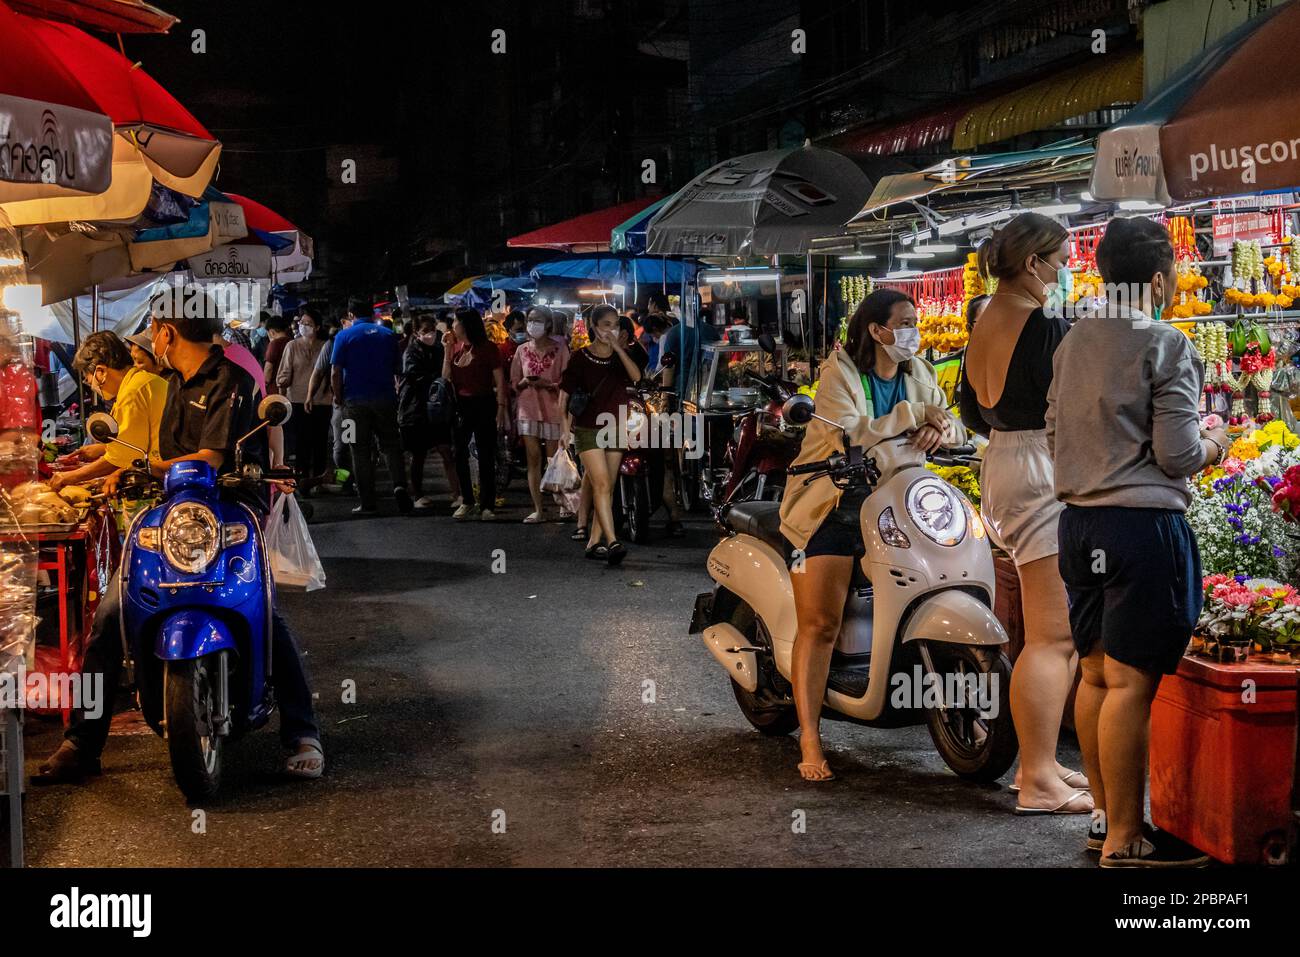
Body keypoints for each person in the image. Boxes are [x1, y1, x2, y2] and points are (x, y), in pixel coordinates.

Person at [35, 290, 323, 784]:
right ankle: (83, 741)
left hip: (228, 511)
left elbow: (207, 459)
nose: (153, 340)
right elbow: (146, 450)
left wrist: (150, 465)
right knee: (110, 615)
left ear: (168, 331)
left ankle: (302, 732)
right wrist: (124, 469)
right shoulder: (166, 382)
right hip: (168, 515)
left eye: (155, 330)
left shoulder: (228, 379)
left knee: (263, 611)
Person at [1047, 217, 1224, 867]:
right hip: (1139, 528)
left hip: (1079, 524)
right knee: (1128, 686)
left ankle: (1105, 820)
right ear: (1158, 277)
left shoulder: (1071, 342)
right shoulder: (1166, 343)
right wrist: (1217, 441)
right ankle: (1125, 839)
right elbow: (1176, 454)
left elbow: (1052, 436)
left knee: (1095, 676)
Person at [779, 289, 963, 781]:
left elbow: (954, 424)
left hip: (899, 503)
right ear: (877, 330)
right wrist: (913, 417)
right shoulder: (837, 374)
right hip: (831, 502)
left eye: (916, 321)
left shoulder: (919, 372)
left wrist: (939, 430)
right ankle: (811, 736)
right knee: (820, 623)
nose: (914, 330)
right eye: (904, 322)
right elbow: (848, 432)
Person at [960, 212, 1094, 816]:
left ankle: (1043, 762)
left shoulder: (984, 318)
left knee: (1046, 634)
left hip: (1001, 465)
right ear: (1034, 262)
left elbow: (970, 412)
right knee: (1053, 637)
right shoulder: (1043, 325)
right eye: (1061, 262)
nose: (1063, 272)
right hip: (1039, 470)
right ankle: (1036, 778)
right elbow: (1074, 409)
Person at [559, 303, 643, 565]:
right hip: (588, 428)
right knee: (602, 483)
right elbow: (564, 395)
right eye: (606, 324)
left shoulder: (621, 356)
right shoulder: (580, 357)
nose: (612, 329)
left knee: (606, 486)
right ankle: (613, 540)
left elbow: (636, 376)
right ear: (594, 327)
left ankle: (594, 542)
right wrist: (563, 429)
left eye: (616, 324)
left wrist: (618, 348)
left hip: (616, 425)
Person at [49, 332, 168, 492]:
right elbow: (136, 441)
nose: (91, 385)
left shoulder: (132, 392)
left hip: (164, 479)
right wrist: (101, 449)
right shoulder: (141, 381)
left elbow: (121, 458)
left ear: (101, 372)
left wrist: (70, 477)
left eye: (88, 378)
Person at [330, 297, 412, 515]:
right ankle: (400, 486)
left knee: (359, 449)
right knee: (391, 446)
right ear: (373, 314)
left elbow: (335, 371)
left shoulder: (343, 336)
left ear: (350, 315)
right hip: (385, 398)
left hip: (354, 401)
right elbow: (398, 369)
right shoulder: (388, 335)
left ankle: (367, 501)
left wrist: (338, 397)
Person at [443, 308, 507, 520]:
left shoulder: (488, 349)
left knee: (486, 454)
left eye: (455, 322)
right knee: (459, 453)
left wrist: (500, 408)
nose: (452, 326)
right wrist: (447, 350)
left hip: (484, 403)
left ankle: (487, 504)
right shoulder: (457, 349)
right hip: (461, 406)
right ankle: (467, 500)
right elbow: (446, 378)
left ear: (465, 325)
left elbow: (499, 381)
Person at [511, 306, 568, 523]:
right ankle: (538, 509)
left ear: (548, 324)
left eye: (538, 320)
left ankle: (561, 501)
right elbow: (514, 382)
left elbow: (566, 382)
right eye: (530, 320)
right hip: (528, 408)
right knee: (533, 458)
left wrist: (549, 384)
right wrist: (524, 382)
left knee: (554, 459)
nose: (533, 324)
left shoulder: (560, 349)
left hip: (553, 409)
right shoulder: (521, 350)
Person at [399, 315, 460, 509]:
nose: (430, 335)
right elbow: (416, 377)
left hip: (438, 409)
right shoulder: (411, 353)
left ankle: (457, 493)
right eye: (425, 332)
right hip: (417, 409)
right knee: (418, 454)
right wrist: (437, 379)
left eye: (432, 331)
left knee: (446, 450)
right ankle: (417, 494)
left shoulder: (438, 349)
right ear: (417, 333)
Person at [277, 306, 331, 494]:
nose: (303, 326)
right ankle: (301, 483)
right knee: (301, 444)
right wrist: (282, 386)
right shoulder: (292, 346)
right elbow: (282, 375)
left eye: (308, 324)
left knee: (320, 443)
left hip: (323, 401)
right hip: (296, 401)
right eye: (301, 323)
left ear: (317, 327)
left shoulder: (326, 346)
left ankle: (317, 481)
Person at [307, 315, 350, 493]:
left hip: (348, 404)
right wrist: (310, 395)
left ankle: (351, 482)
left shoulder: (339, 342)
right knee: (348, 445)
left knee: (346, 445)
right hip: (350, 404)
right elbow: (319, 372)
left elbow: (329, 373)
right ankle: (349, 481)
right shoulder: (333, 344)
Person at [262, 314, 292, 394]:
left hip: (275, 390)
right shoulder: (293, 342)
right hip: (290, 389)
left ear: (271, 332)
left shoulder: (274, 344)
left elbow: (268, 369)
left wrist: (264, 383)